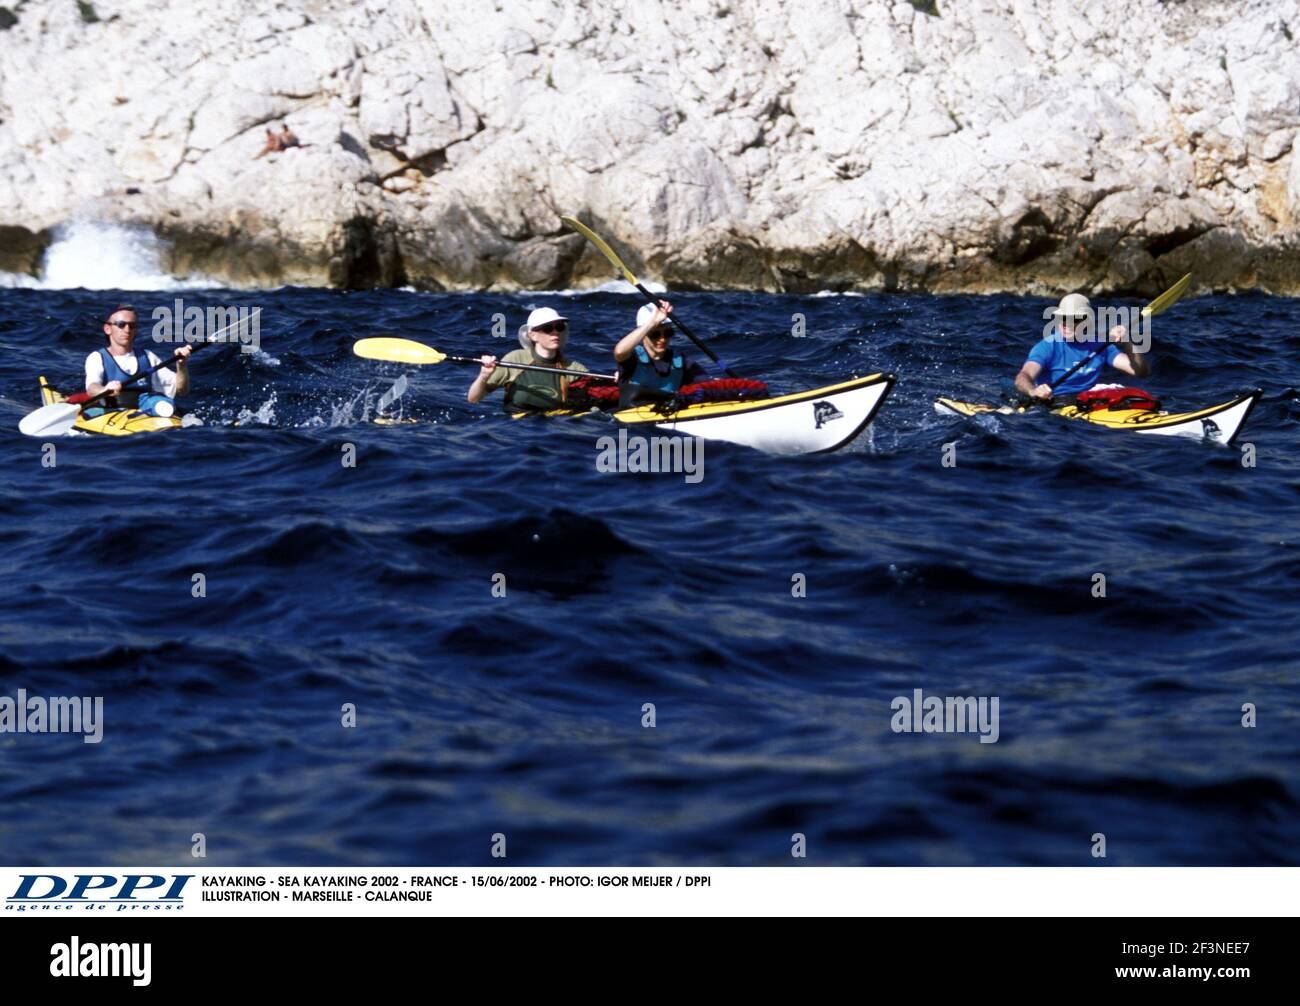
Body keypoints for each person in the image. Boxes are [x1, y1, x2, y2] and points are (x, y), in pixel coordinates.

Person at [1014, 292, 1149, 401]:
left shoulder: (1100, 344)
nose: (1066, 323)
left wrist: (1127, 344)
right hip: (1055, 403)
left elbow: (1140, 372)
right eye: (1063, 318)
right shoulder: (1047, 347)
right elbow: (1023, 376)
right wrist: (1033, 391)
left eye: (1074, 319)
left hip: (1087, 401)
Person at [467, 307, 588, 411]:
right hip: (517, 430)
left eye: (559, 327)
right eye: (548, 328)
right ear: (532, 335)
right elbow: (473, 399)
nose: (555, 332)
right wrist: (483, 375)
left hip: (555, 429)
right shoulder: (515, 359)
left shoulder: (574, 369)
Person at [85, 305, 192, 417]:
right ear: (107, 328)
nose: (127, 330)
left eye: (132, 325)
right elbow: (92, 388)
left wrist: (182, 365)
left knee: (161, 402)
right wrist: (104, 390)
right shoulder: (97, 358)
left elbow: (182, 390)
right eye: (121, 324)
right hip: (111, 410)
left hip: (146, 409)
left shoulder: (148, 356)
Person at [612, 299, 706, 405]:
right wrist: (651, 323)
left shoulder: (681, 361)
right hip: (629, 418)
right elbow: (619, 352)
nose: (662, 339)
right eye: (655, 334)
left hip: (667, 415)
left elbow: (706, 384)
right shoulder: (631, 359)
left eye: (668, 333)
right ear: (643, 334)